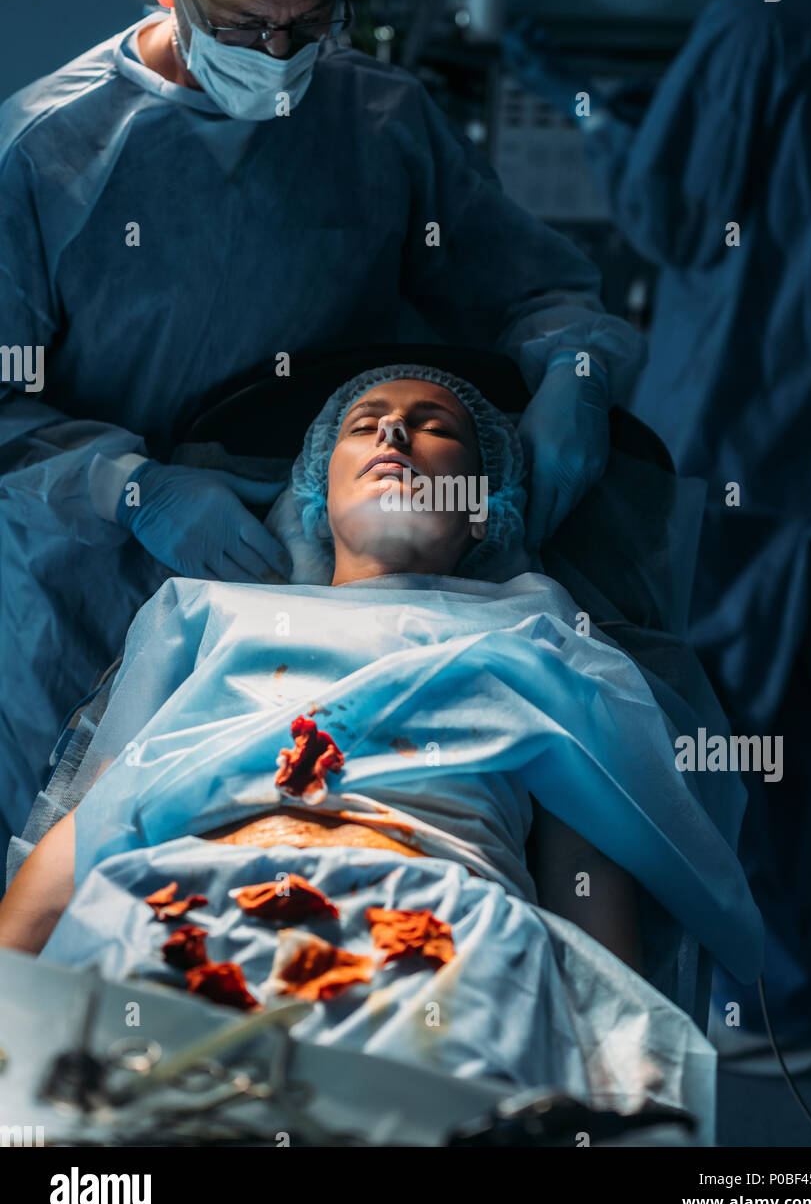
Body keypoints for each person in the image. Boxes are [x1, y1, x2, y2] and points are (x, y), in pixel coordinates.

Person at [0, 0, 646, 859]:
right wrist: (132, 488)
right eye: (245, 23)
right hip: (84, 589)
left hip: (304, 598)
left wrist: (575, 371)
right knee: (78, 875)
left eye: (309, 22)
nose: (280, 52)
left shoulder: (379, 120)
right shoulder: (47, 155)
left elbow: (534, 287)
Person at [0, 367, 762, 1124]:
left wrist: (624, 1076)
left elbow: (585, 866)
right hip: (174, 908)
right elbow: (100, 818)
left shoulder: (533, 635)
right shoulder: (211, 614)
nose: (393, 432)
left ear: (483, 510)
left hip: (436, 933)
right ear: (317, 500)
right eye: (363, 425)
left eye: (435, 427)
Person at [569, 0, 811, 1071]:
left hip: (754, 418)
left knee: (721, 720)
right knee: (787, 715)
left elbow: (673, 210)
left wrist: (593, 119)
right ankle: (772, 982)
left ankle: (762, 1000)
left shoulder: (770, 13)